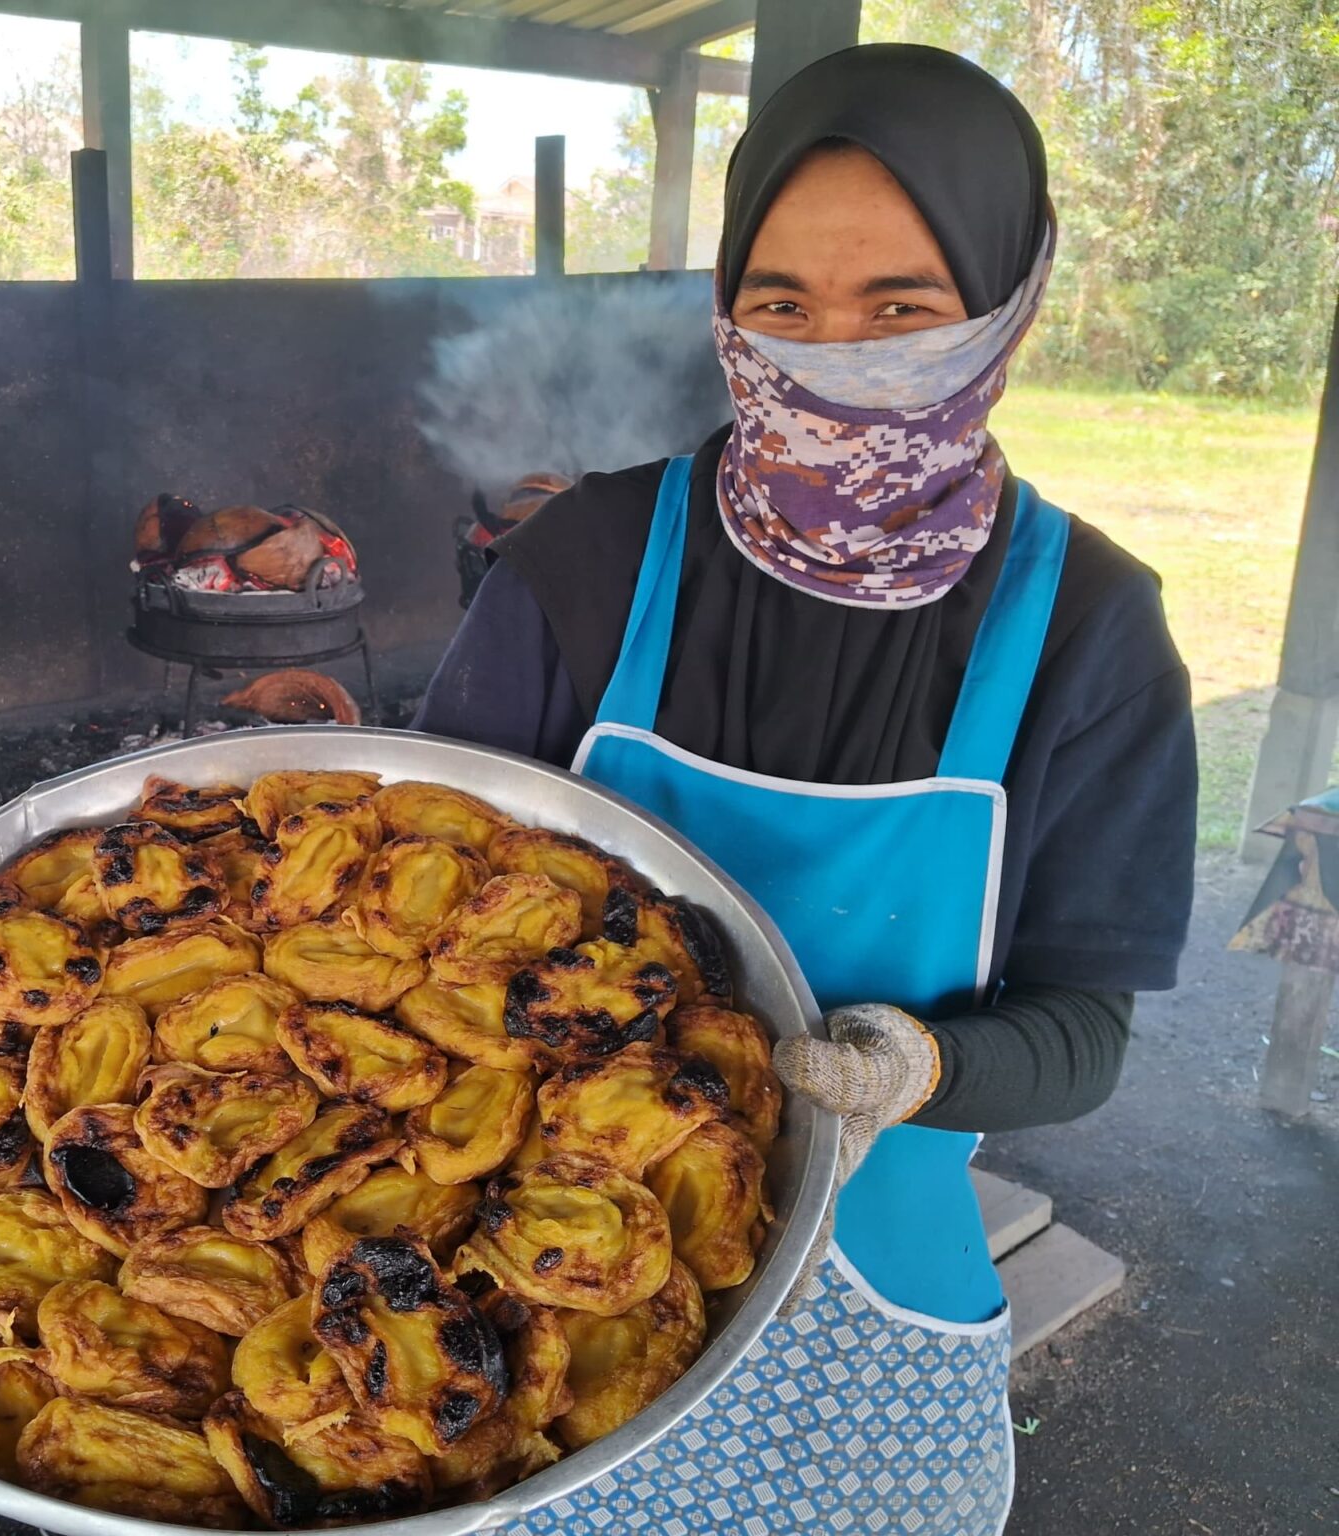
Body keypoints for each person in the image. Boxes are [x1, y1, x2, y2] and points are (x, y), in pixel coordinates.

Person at [415, 43, 1195, 1534]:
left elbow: (1086, 1031)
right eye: (782, 304)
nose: (834, 353)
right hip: (518, 1268)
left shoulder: (1089, 629)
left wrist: (921, 1070)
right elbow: (420, 884)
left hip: (872, 1279)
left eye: (903, 307)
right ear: (726, 305)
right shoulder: (585, 559)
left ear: (1006, 303)